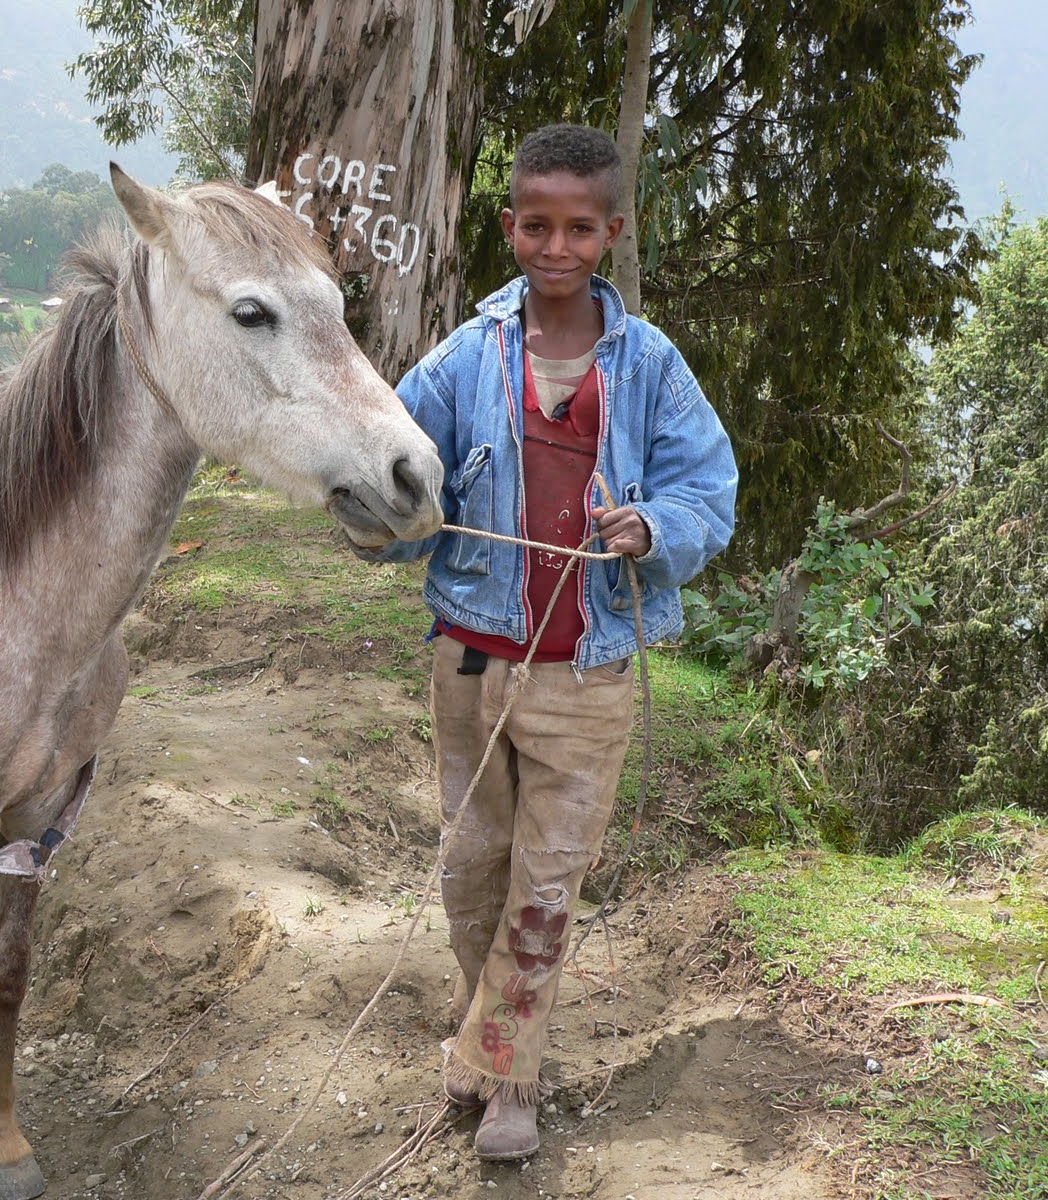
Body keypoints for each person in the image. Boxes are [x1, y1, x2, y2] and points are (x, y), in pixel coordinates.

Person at [341, 124, 737, 1160]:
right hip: (469, 662)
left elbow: (710, 493)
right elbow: (394, 464)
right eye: (534, 224)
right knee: (472, 869)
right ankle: (492, 1038)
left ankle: (506, 1078)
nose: (554, 247)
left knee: (545, 885)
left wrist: (652, 526)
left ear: (611, 230)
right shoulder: (467, 356)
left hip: (587, 669)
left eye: (578, 228)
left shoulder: (648, 364)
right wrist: (372, 515)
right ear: (508, 223)